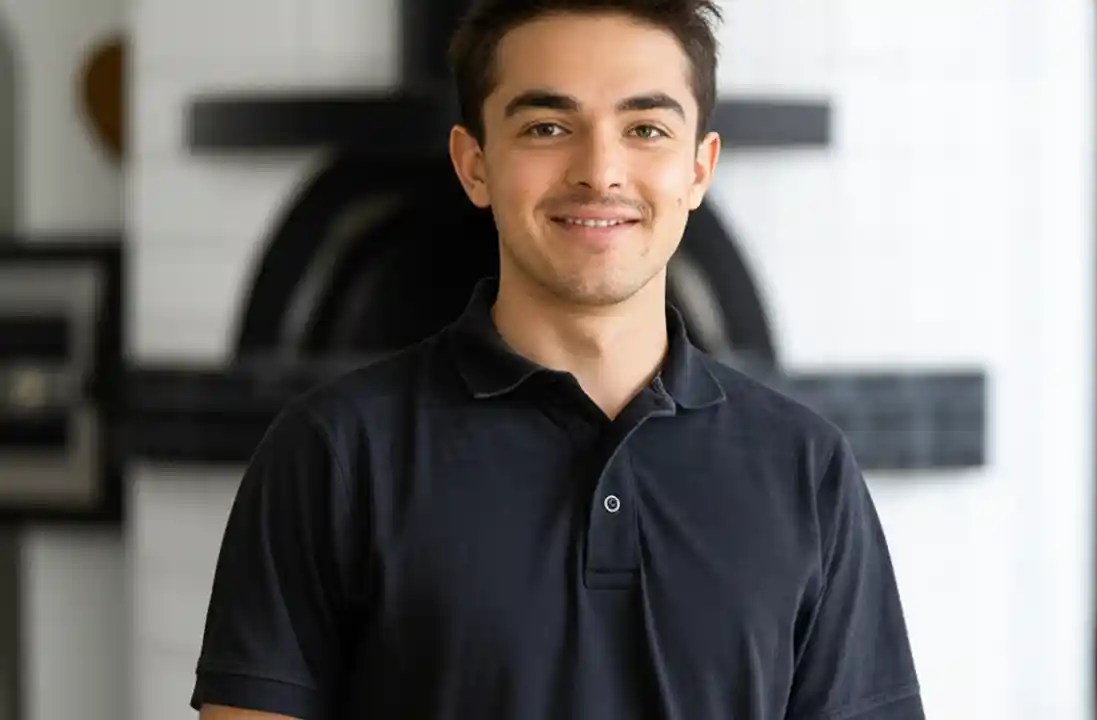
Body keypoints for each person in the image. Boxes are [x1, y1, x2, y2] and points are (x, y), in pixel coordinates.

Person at [191, 1, 923, 718]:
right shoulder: (332, 453)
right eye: (547, 127)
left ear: (698, 170)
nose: (599, 171)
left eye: (645, 128)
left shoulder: (807, 468)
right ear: (474, 164)